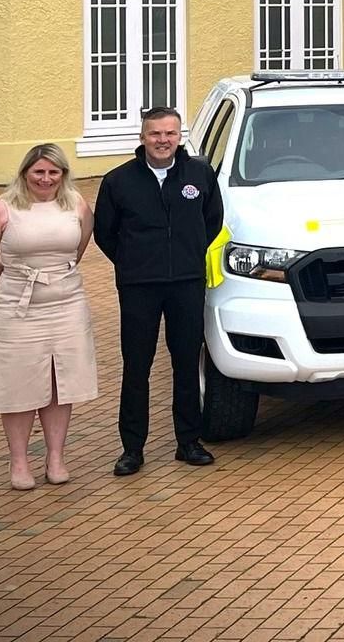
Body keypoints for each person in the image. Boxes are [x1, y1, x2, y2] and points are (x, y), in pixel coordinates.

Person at [94, 106, 224, 475]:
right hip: (139, 286)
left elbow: (212, 221)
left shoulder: (199, 175)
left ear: (179, 136)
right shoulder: (118, 181)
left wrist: (187, 253)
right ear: (142, 137)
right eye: (155, 133)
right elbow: (106, 232)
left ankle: (188, 441)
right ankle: (132, 449)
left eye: (170, 133)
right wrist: (134, 262)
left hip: (186, 282)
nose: (163, 140)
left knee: (186, 361)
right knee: (137, 365)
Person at [0, 144, 100, 490]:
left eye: (53, 172)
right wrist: (13, 284)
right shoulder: (1, 211)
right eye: (39, 172)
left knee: (61, 382)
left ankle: (56, 457)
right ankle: (18, 462)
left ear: (63, 174)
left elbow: (78, 248)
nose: (46, 179)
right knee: (19, 383)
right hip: (19, 309)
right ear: (25, 173)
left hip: (68, 305)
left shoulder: (77, 206)